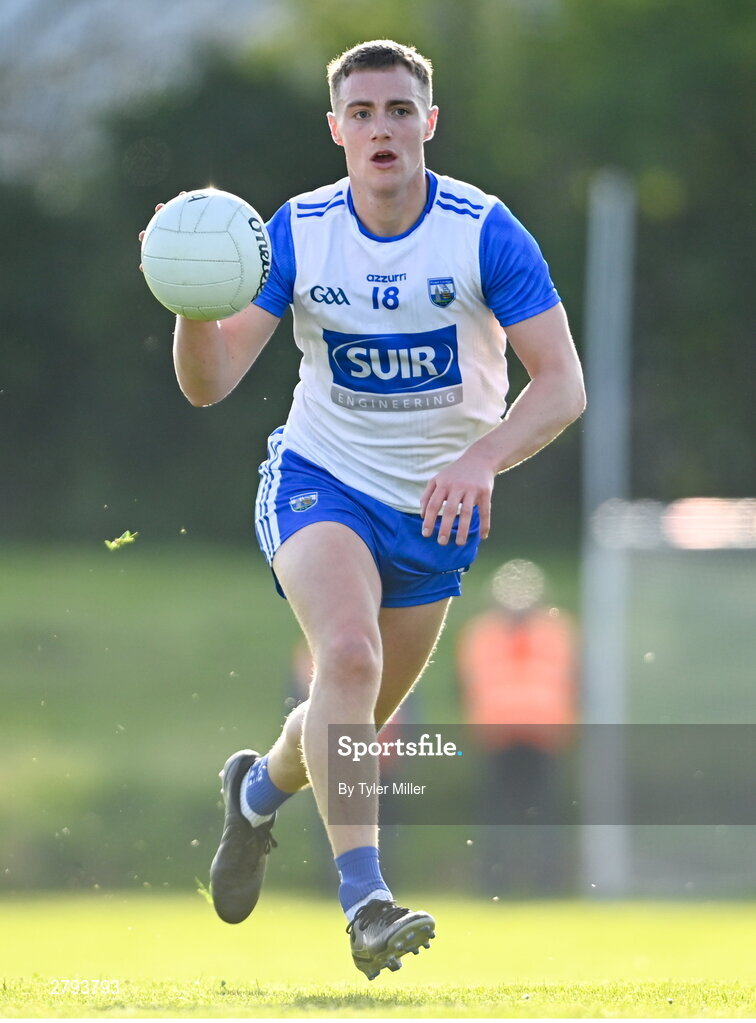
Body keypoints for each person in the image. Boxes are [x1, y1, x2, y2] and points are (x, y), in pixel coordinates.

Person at [139, 39, 585, 980]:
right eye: (362, 112)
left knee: (350, 719)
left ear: (429, 122)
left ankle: (256, 793)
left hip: (434, 515)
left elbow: (561, 386)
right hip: (320, 480)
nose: (381, 127)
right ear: (335, 128)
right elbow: (210, 382)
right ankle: (367, 901)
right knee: (346, 656)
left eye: (398, 110)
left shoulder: (482, 232)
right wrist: (190, 301)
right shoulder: (298, 232)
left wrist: (482, 457)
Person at [457, 559, 578, 893]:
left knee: (531, 811)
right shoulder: (554, 630)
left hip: (535, 730)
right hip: (508, 730)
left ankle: (531, 882)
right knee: (508, 812)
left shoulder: (485, 632)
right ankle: (504, 881)